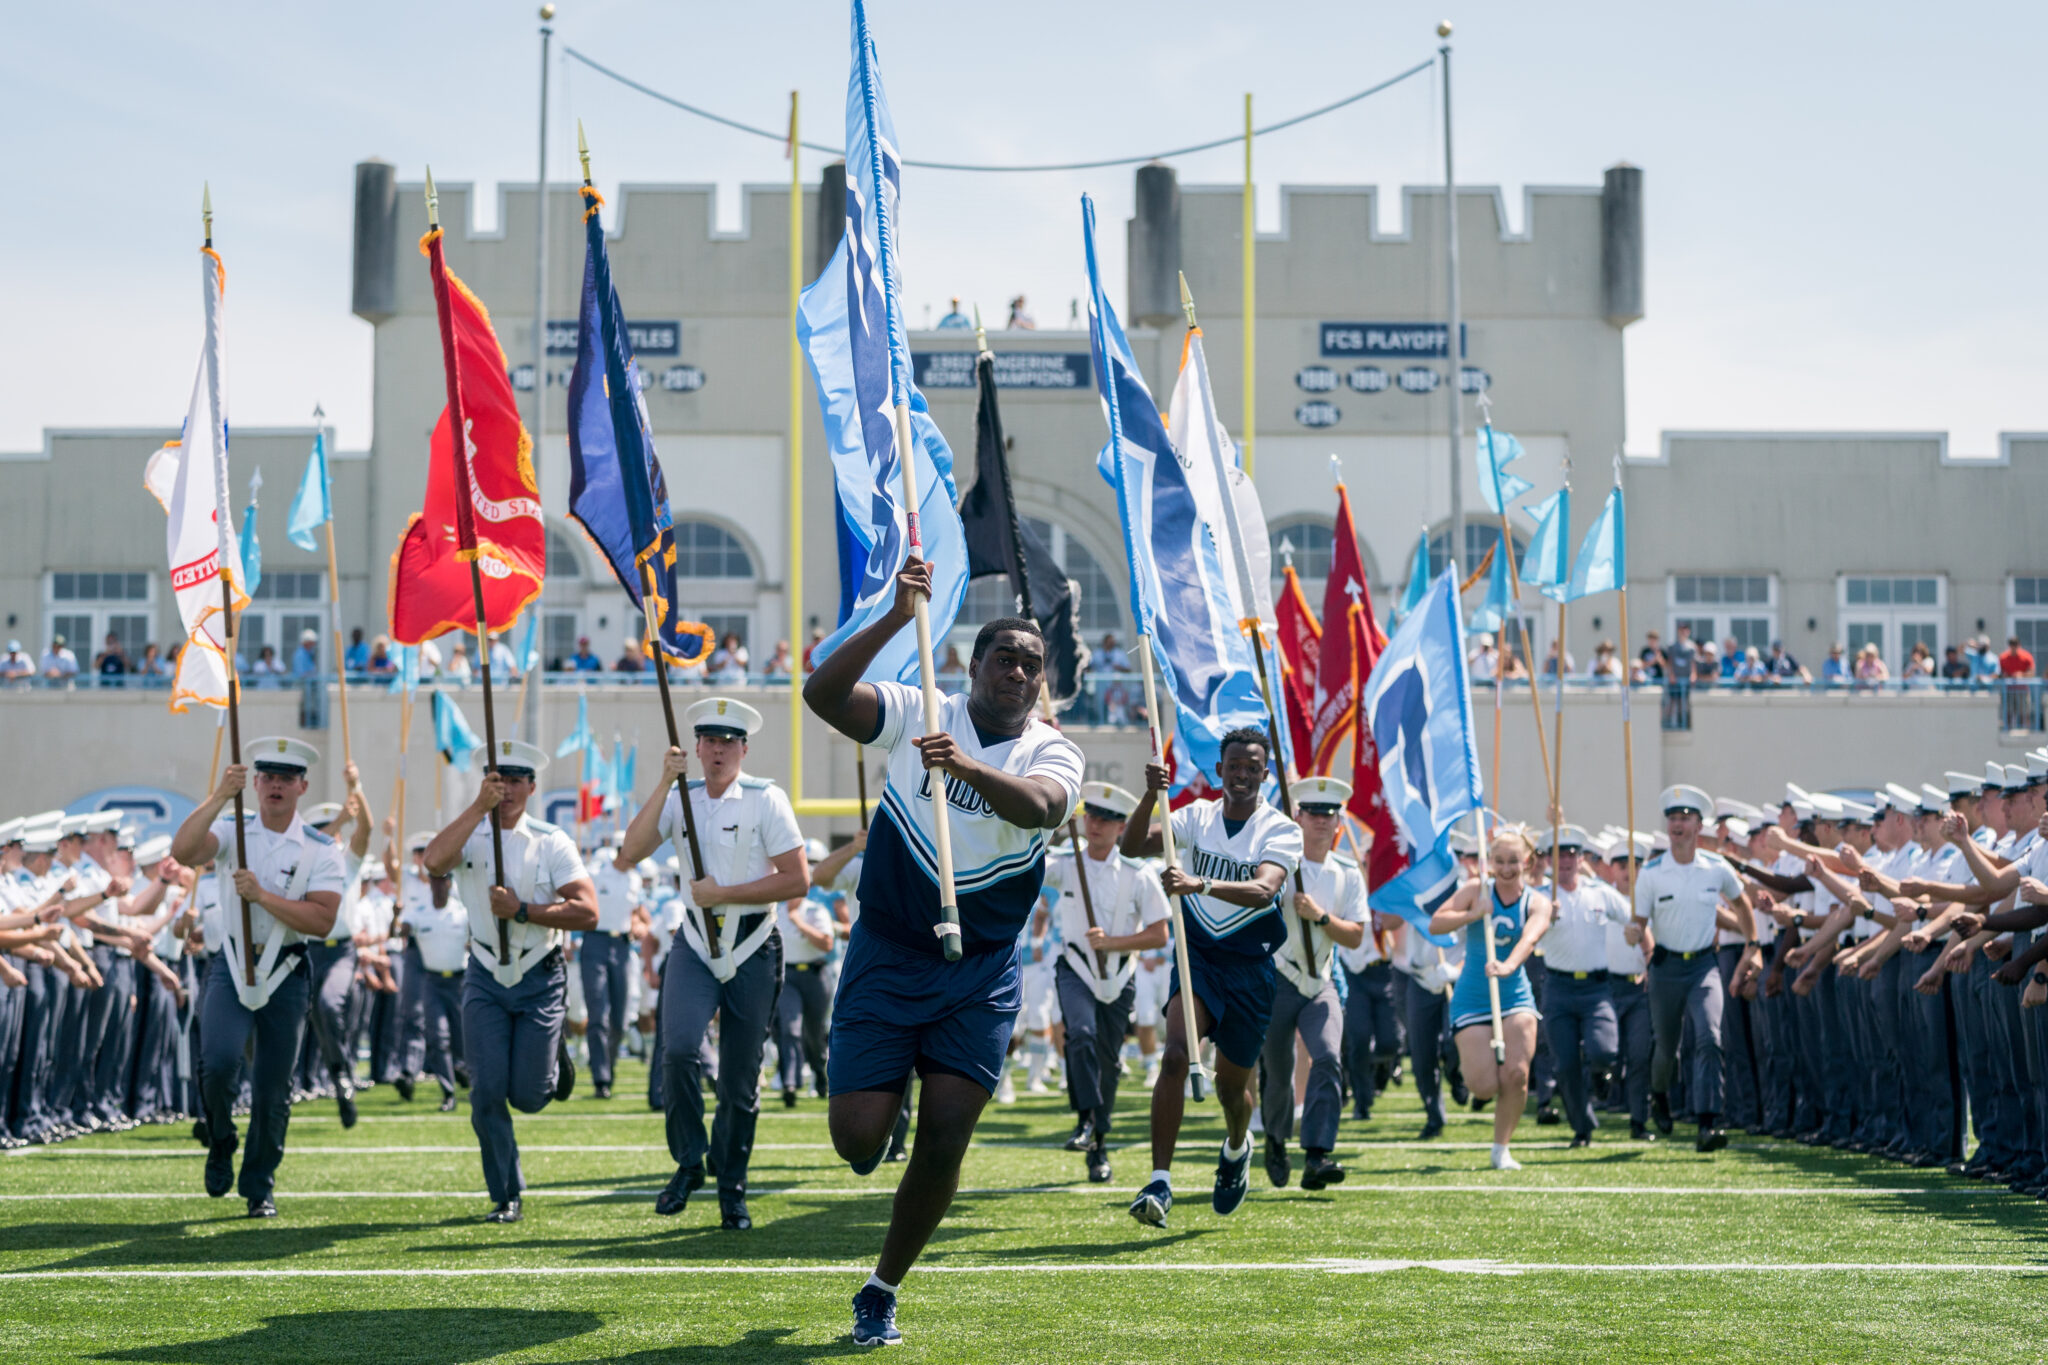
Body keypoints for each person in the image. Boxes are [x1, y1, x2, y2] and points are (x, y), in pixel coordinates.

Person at [802, 555, 1082, 1347]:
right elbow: (821, 696)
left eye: (1031, 662)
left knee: (948, 1132)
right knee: (858, 1143)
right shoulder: (920, 704)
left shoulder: (1052, 750)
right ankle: (880, 1106)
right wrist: (895, 617)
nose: (1019, 670)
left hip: (982, 968)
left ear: (1040, 681)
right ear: (971, 661)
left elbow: (1039, 810)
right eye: (1005, 656)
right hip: (888, 952)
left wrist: (961, 766)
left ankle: (881, 1287)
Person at [616, 695, 808, 1232]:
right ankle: (688, 1162)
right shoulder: (680, 797)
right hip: (695, 942)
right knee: (676, 1051)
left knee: (739, 1081)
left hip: (752, 943)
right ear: (695, 748)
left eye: (728, 742)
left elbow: (797, 879)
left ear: (744, 749)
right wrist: (663, 780)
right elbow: (630, 851)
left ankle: (732, 1186)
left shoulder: (766, 799)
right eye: (709, 741)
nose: (718, 750)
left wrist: (726, 891)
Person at [1121, 727, 1301, 1228]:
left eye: (1252, 767)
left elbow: (1265, 890)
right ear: (1217, 770)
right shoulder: (1195, 815)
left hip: (1249, 967)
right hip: (1196, 955)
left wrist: (1199, 882)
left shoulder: (1280, 829)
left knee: (1230, 1091)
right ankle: (1159, 1179)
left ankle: (1238, 1145)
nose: (1241, 774)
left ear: (1265, 774)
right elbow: (1134, 846)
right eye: (1233, 766)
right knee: (1176, 1054)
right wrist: (1148, 795)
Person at [169, 736, 347, 1217]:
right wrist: (219, 797)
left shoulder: (322, 850)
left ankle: (258, 1184)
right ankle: (221, 1137)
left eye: (285, 778)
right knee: (220, 1063)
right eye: (266, 776)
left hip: (286, 971)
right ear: (256, 781)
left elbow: (322, 920)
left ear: (302, 786)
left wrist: (263, 897)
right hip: (230, 963)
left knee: (272, 1088)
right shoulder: (233, 831)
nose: (274, 785)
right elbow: (184, 851)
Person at [423, 738, 597, 1225]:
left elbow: (587, 910)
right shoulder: (471, 833)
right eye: (500, 779)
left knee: (529, 1095)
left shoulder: (550, 840)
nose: (509, 789)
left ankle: (553, 1061)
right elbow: (433, 862)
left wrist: (523, 909)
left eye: (518, 780)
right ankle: (506, 1192)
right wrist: (477, 807)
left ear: (532, 787)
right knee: (486, 1091)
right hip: (483, 973)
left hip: (539, 972)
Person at [1042, 782, 1169, 1184]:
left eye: (1107, 819)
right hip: (1076, 968)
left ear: (1121, 828)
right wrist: (1049, 826)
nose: (1096, 824)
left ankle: (1099, 1142)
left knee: (1110, 1063)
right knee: (1079, 1035)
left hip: (1118, 974)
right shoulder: (1064, 862)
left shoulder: (1140, 873)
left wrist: (1114, 942)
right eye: (1091, 815)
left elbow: (1159, 934)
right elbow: (1025, 868)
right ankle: (1084, 1121)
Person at [1628, 784, 1762, 1153]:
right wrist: (1634, 932)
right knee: (1666, 1050)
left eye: (1685, 818)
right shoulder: (1652, 873)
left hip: (1704, 965)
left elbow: (1742, 904)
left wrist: (1753, 945)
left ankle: (1708, 1121)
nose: (1677, 824)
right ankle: (1660, 1095)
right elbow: (1639, 921)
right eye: (1672, 817)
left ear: (1699, 825)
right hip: (1666, 966)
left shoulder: (1715, 868)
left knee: (1710, 1038)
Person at [1260, 777, 1369, 1191]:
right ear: (1297, 817)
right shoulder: (1280, 864)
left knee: (1327, 1056)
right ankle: (1275, 1137)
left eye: (1329, 815)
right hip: (1279, 976)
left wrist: (1321, 916)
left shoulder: (1347, 873)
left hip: (1320, 980)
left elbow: (1356, 935)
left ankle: (1318, 1153)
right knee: (1278, 1068)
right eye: (1313, 814)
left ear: (1338, 822)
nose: (1321, 822)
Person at [1431, 825, 1554, 1170]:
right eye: (1499, 860)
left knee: (1516, 1076)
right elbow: (1436, 924)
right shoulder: (1475, 890)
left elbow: (1529, 938)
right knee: (1484, 1087)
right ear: (1489, 862)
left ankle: (1501, 1149)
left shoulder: (1537, 901)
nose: (1506, 868)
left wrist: (1509, 965)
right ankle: (1461, 1068)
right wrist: (1472, 914)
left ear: (1527, 861)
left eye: (1513, 861)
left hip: (1515, 996)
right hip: (1471, 998)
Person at [1535, 826, 1633, 1148]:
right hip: (1558, 986)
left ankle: (1601, 1072)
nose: (1565, 861)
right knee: (1564, 1063)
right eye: (1559, 855)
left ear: (1580, 859)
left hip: (1595, 987)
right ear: (1550, 859)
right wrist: (1543, 920)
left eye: (1571, 854)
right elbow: (1527, 933)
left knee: (1604, 1049)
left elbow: (1633, 917)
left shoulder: (1599, 892)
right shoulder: (1541, 898)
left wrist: (1642, 941)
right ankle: (1582, 1126)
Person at [303, 774, 374, 1129]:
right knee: (302, 1017)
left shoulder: (348, 863)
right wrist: (340, 820)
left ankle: (341, 1073)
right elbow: (311, 844)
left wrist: (356, 787)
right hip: (304, 950)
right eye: (323, 831)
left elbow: (368, 829)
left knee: (329, 1006)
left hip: (339, 951)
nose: (331, 836)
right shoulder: (303, 862)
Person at [776, 840, 841, 1108]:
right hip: (787, 976)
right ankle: (790, 1083)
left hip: (815, 975)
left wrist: (797, 921)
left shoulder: (816, 911)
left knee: (814, 1033)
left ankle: (819, 1073)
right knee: (790, 1028)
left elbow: (826, 944)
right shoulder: (776, 911)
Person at [579, 833, 641, 1100]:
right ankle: (600, 1078)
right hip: (596, 941)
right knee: (598, 1015)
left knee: (619, 1018)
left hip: (622, 945)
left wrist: (640, 926)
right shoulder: (596, 873)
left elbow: (638, 914)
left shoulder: (635, 879)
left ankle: (609, 1067)